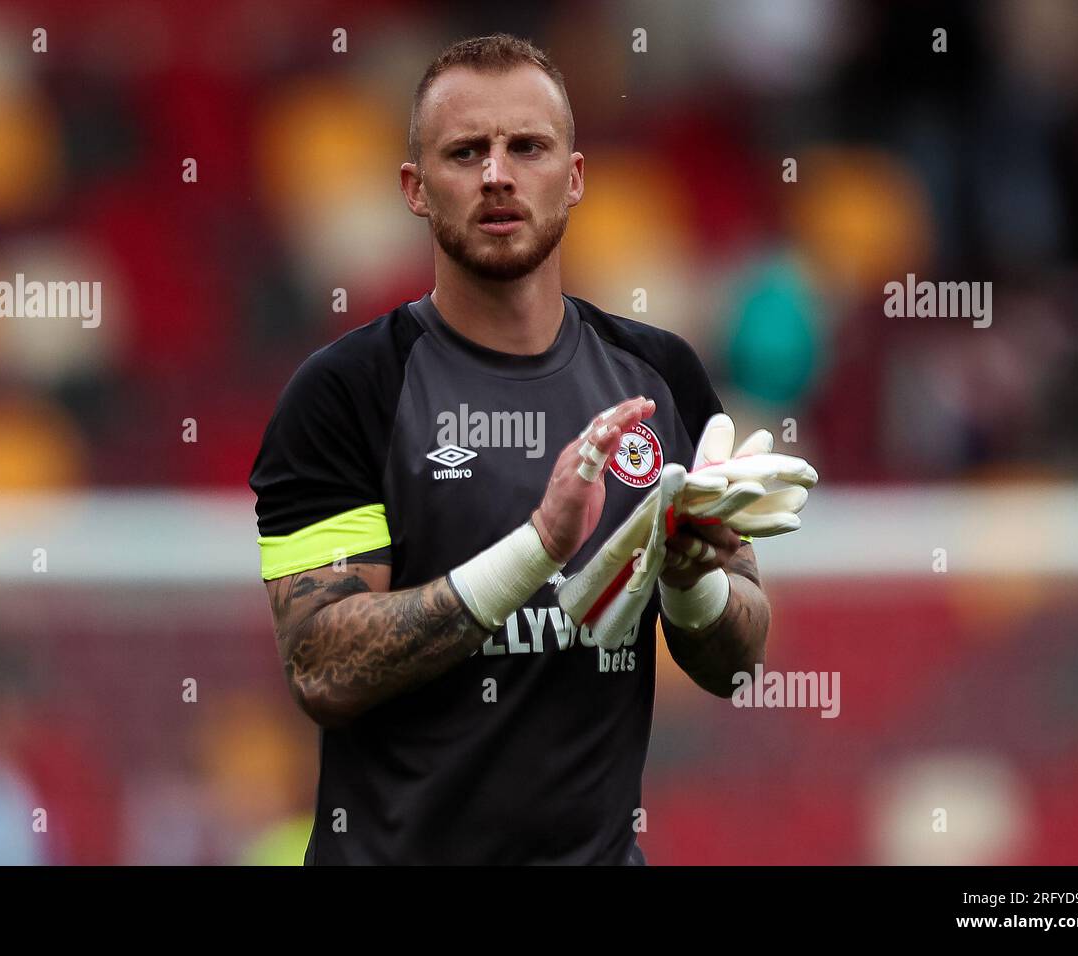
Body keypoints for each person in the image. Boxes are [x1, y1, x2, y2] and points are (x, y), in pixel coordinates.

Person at [248, 33, 769, 865]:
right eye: (466, 152)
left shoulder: (662, 374)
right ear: (415, 190)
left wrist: (693, 582)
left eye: (527, 147)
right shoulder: (345, 393)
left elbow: (735, 661)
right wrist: (536, 551)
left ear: (575, 176)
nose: (498, 174)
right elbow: (323, 668)